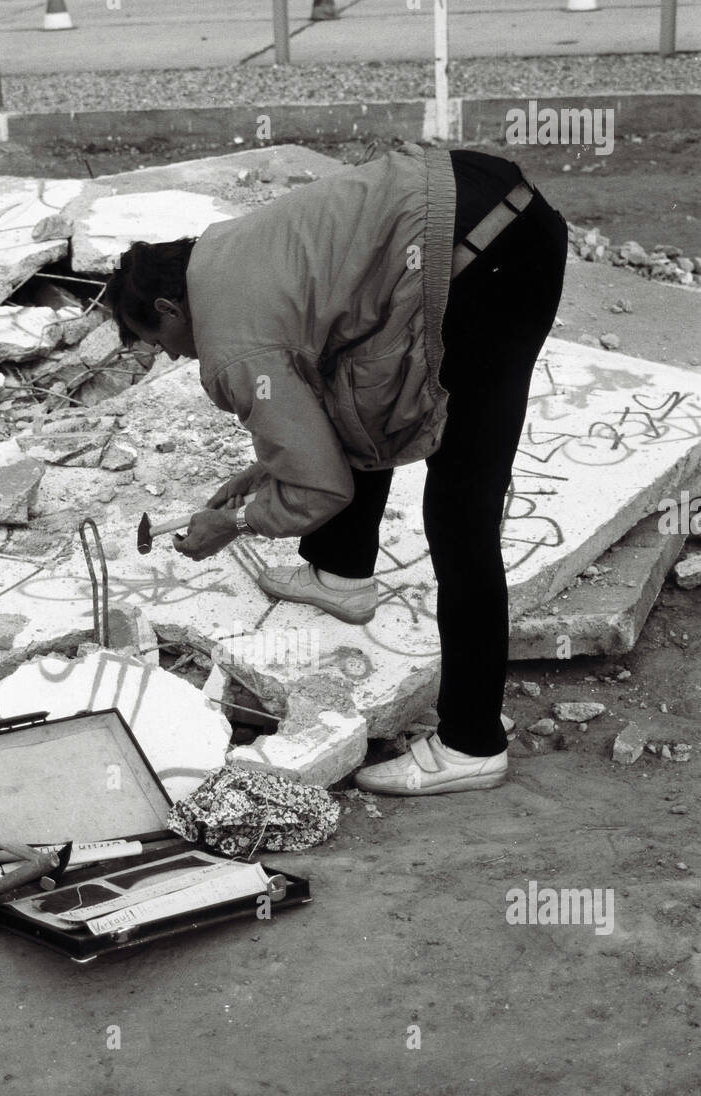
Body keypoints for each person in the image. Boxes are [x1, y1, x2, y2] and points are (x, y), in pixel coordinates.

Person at [105, 145, 567, 796]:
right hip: (489, 204)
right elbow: (307, 396)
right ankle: (341, 572)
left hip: (486, 261)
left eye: (158, 341)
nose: (170, 356)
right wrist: (260, 475)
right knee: (354, 390)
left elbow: (321, 483)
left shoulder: (232, 343)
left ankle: (470, 744)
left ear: (170, 308)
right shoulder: (223, 253)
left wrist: (233, 523)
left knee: (460, 511)